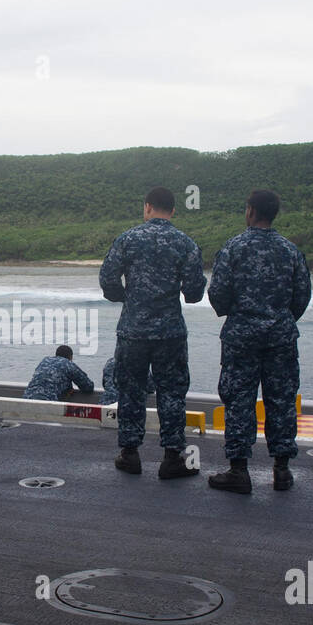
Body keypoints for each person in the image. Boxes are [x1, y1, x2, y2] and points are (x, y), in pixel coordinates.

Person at [207, 191, 311, 494]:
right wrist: (279, 317)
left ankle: (239, 470)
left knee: (239, 401)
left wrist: (237, 313)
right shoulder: (290, 250)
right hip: (280, 338)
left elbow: (218, 296)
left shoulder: (233, 248)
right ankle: (282, 470)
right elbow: (301, 296)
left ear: (250, 211)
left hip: (241, 338)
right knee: (281, 401)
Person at [99, 186, 206, 478]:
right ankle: (173, 457)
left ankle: (130, 454)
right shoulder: (185, 243)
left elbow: (107, 278)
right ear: (172, 210)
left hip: (133, 330)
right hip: (170, 332)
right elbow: (196, 292)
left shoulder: (128, 239)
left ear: (147, 207)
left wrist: (127, 298)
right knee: (171, 393)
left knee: (131, 390)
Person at [23, 346, 94, 401]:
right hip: (48, 402)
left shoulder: (45, 360)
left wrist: (67, 386)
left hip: (26, 398)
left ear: (56, 355)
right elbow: (88, 386)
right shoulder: (68, 364)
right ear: (71, 357)